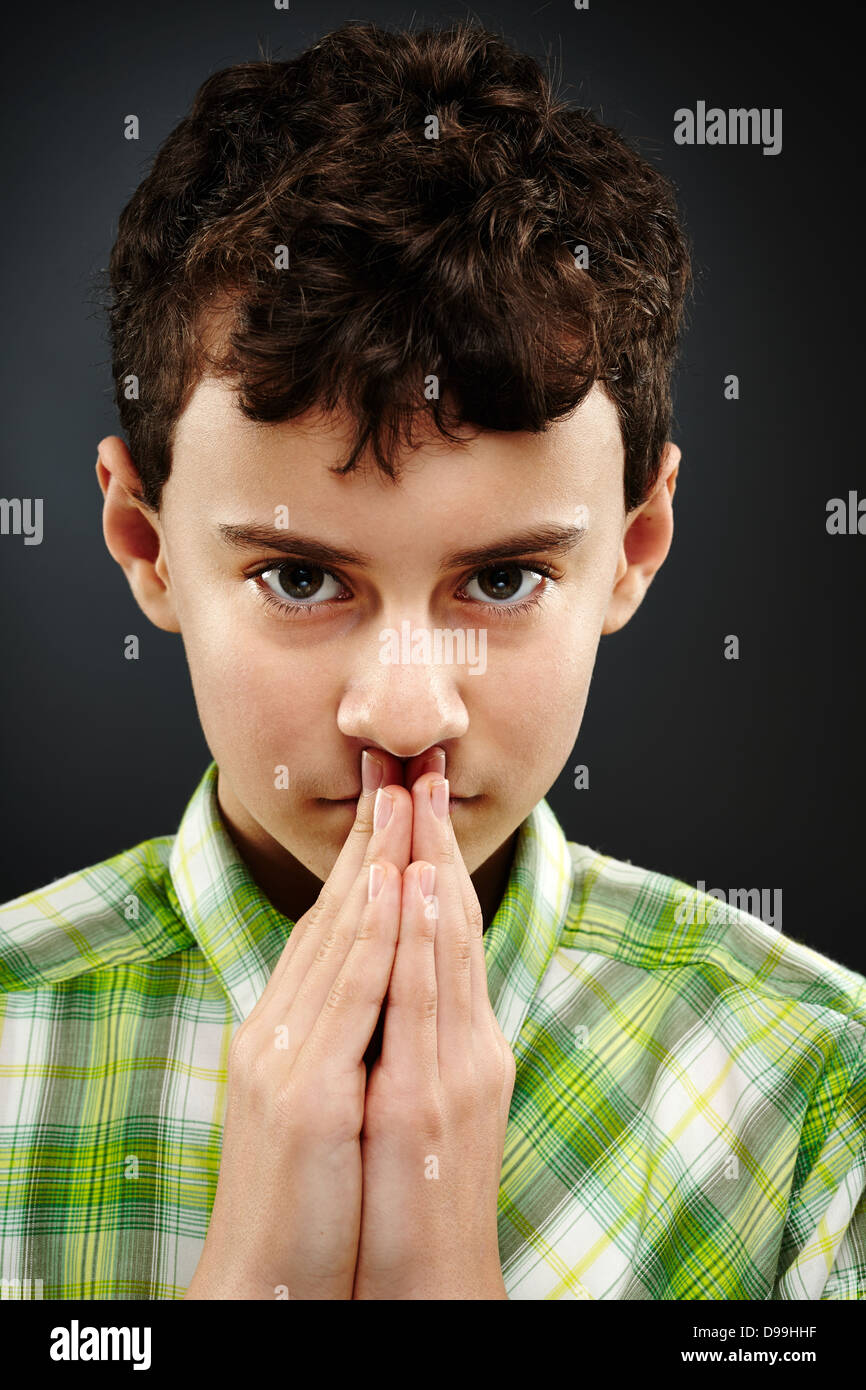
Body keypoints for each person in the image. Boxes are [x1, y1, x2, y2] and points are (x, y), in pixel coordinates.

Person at [1, 19, 863, 1301]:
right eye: (300, 578)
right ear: (145, 542)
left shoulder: (815, 1092)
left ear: (633, 546)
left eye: (502, 579)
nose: (405, 711)